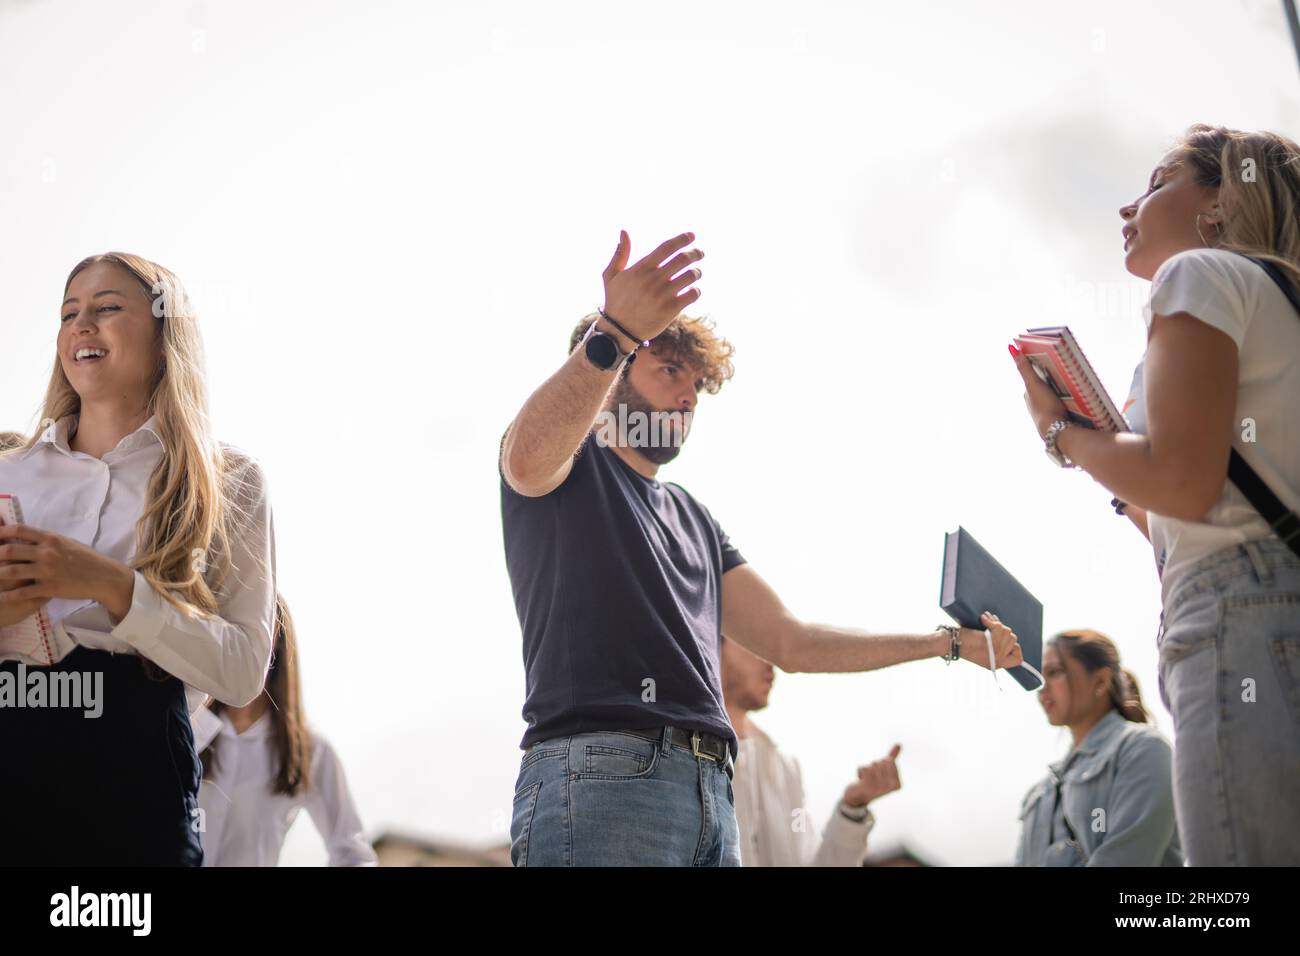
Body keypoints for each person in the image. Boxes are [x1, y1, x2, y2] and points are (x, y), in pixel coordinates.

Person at [500, 230, 1022, 867]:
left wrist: (948, 644)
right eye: (670, 370)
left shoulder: (693, 516)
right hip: (603, 779)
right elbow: (526, 462)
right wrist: (613, 331)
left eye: (696, 385)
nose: (688, 396)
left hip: (713, 796)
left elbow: (793, 643)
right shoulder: (569, 462)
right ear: (613, 369)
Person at [1010, 124, 1300, 865]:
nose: (1127, 206)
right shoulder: (1276, 300)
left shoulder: (1197, 276)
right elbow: (1199, 503)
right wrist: (1112, 460)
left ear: (1217, 202)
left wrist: (1062, 435)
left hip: (1236, 613)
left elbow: (1182, 482)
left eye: (1157, 181)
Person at [0, 252, 276, 866]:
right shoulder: (5, 476)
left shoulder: (226, 480)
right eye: (69, 313)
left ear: (164, 336)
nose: (81, 326)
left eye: (107, 309)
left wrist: (112, 586)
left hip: (140, 777)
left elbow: (241, 671)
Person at [194, 593, 376, 866]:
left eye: (256, 636)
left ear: (276, 647)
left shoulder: (310, 750)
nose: (243, 650)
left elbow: (353, 852)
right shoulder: (188, 730)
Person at [722, 636, 900, 866]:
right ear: (710, 638)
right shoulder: (674, 754)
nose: (773, 662)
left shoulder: (787, 771)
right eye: (759, 644)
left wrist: (852, 808)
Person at [1016, 630, 1181, 866]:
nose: (1042, 686)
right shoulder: (1039, 793)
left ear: (1101, 681)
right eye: (1040, 676)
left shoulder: (1144, 750)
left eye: (1054, 672)